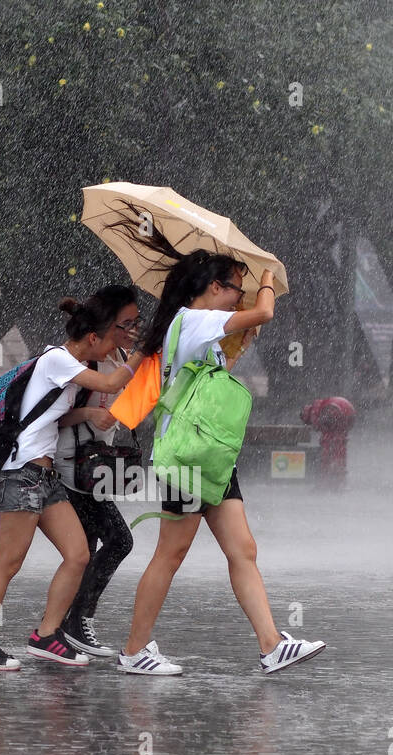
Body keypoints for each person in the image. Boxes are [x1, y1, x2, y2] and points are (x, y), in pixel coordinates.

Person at [115, 248, 326, 676]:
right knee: (169, 555)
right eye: (236, 288)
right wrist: (268, 280)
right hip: (189, 457)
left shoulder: (196, 328)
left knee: (243, 549)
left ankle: (272, 645)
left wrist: (238, 350)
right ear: (214, 287)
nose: (239, 297)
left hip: (211, 457)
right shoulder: (195, 319)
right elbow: (264, 313)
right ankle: (135, 651)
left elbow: (207, 385)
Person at [0, 287, 146, 671]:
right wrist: (148, 349)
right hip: (20, 473)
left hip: (43, 477)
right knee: (7, 564)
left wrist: (97, 405)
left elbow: (60, 414)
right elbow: (112, 386)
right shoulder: (59, 360)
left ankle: (46, 635)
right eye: (114, 334)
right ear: (93, 337)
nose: (116, 344)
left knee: (78, 555)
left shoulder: (71, 370)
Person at [52, 318, 140, 658]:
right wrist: (89, 412)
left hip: (96, 466)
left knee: (85, 551)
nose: (134, 330)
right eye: (127, 323)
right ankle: (76, 620)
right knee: (119, 540)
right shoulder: (85, 363)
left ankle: (60, 629)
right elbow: (53, 415)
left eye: (137, 323)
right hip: (73, 465)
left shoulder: (119, 359)